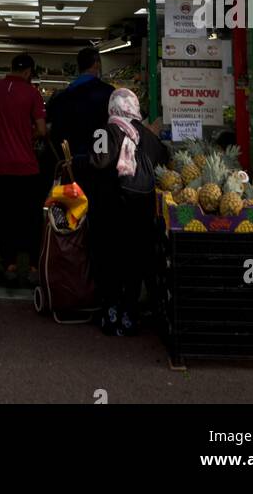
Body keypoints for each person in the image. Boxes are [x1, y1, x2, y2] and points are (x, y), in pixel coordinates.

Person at [90, 87, 168, 338]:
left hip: (109, 210)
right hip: (141, 212)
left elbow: (98, 160)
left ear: (112, 108)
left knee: (109, 260)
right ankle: (130, 313)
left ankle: (110, 312)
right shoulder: (149, 136)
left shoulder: (105, 130)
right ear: (134, 107)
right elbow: (163, 166)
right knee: (135, 261)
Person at [0, 53, 47, 285]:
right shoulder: (32, 93)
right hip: (27, 168)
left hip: (0, 167)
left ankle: (8, 264)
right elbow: (42, 129)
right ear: (28, 72)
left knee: (5, 217)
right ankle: (30, 266)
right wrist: (28, 136)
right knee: (29, 218)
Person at [46, 47, 113, 160]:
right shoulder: (109, 93)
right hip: (100, 157)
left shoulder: (62, 96)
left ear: (79, 66)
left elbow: (53, 130)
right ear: (96, 64)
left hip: (71, 159)